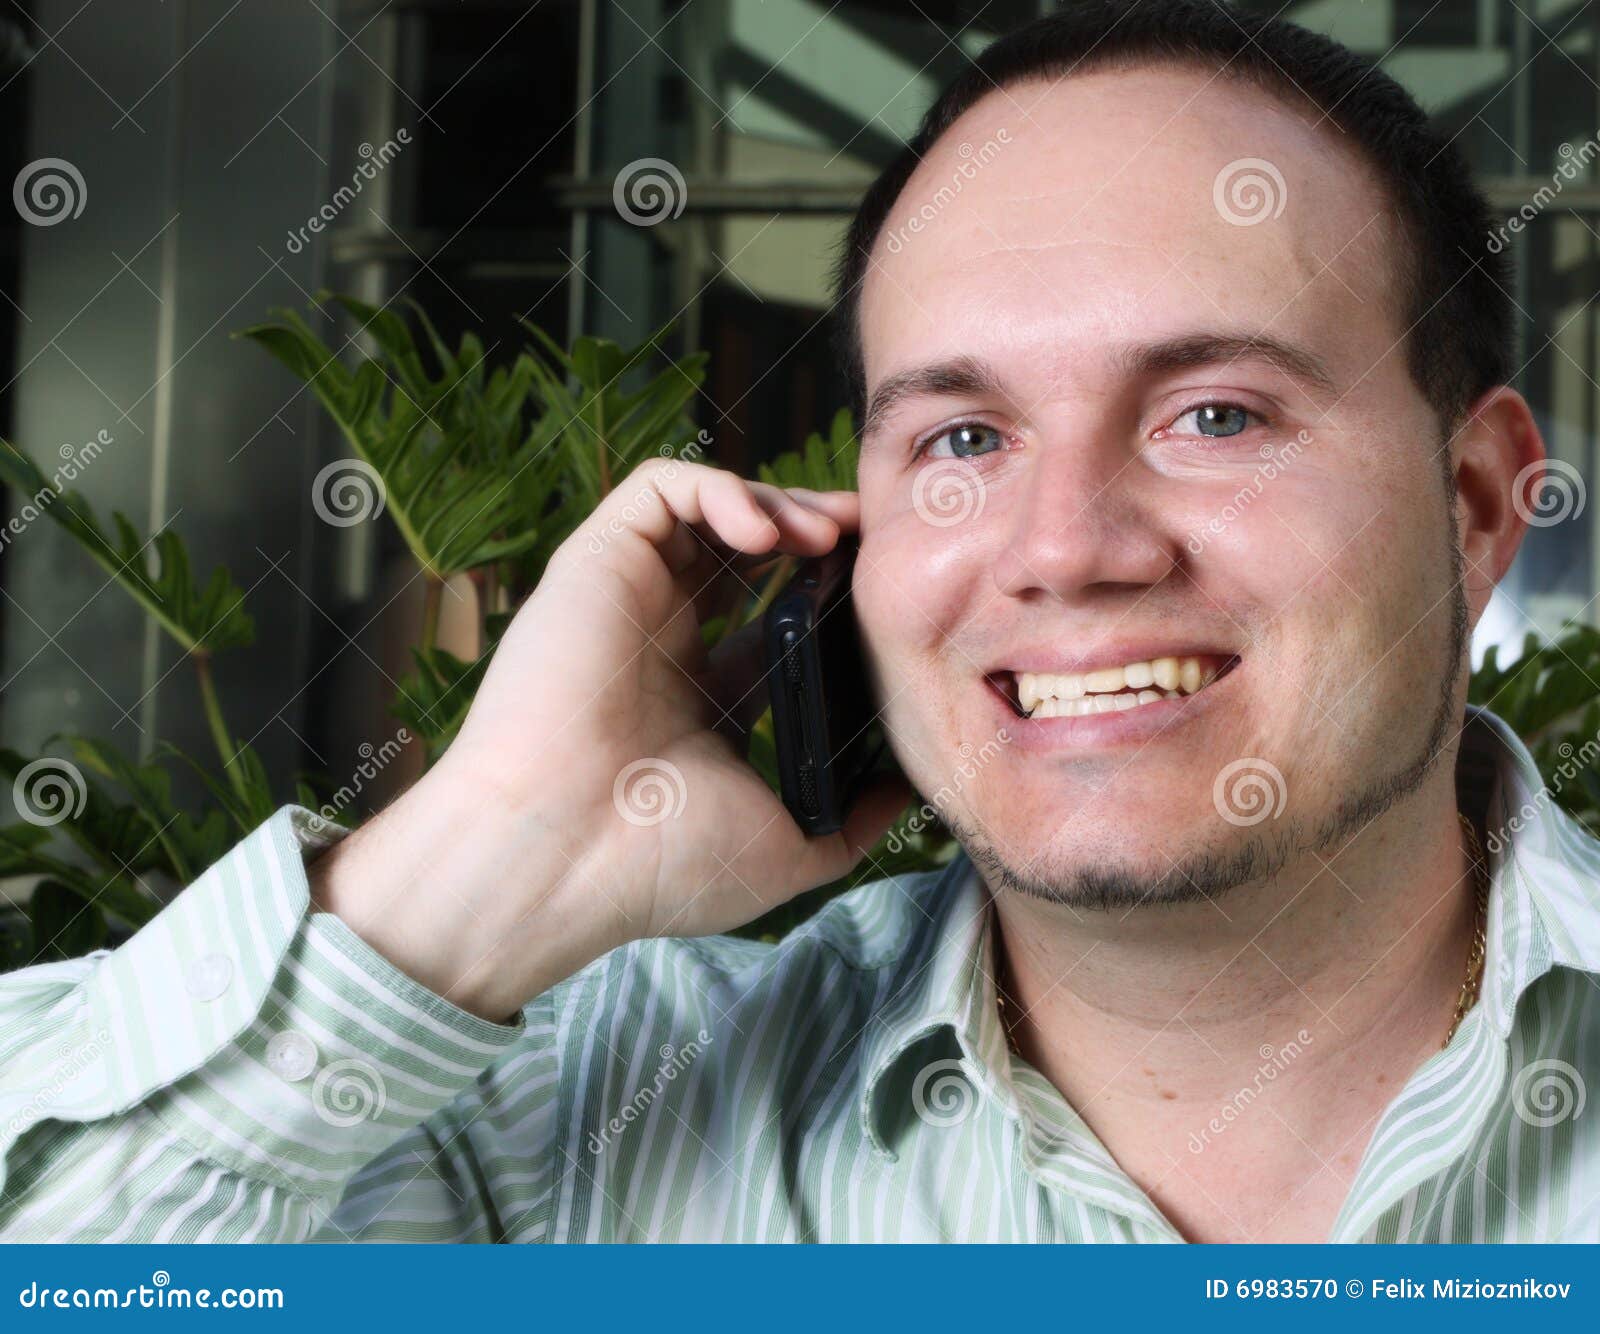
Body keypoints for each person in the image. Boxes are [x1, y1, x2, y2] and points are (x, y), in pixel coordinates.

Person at [2, 0, 1596, 1244]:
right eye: (964, 439)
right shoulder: (576, 1138)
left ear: (1472, 503)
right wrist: (476, 867)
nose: (1066, 547)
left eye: (1218, 414)